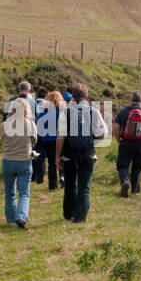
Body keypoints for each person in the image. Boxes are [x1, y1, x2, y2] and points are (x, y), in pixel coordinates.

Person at [56, 82, 109, 223]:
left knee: (70, 185)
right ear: (86, 96)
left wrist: (57, 156)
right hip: (88, 154)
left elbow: (60, 137)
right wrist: (93, 141)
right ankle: (80, 217)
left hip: (69, 154)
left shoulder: (65, 111)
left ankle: (68, 213)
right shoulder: (93, 111)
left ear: (72, 96)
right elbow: (103, 133)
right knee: (84, 187)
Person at [0, 95, 37, 228]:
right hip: (24, 161)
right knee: (24, 192)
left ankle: (10, 218)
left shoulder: (4, 125)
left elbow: (3, 140)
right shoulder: (30, 124)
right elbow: (34, 142)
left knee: (9, 191)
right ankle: (21, 216)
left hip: (8, 160)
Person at [113, 90, 141, 197]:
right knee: (137, 167)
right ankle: (135, 190)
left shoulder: (123, 111)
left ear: (131, 99)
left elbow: (116, 126)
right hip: (140, 143)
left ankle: (125, 182)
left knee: (122, 165)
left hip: (126, 142)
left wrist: (118, 140)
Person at [34, 90, 64, 189]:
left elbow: (39, 125)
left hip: (47, 139)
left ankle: (52, 185)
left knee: (51, 163)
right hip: (59, 138)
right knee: (60, 159)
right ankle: (62, 177)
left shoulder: (43, 111)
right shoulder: (62, 111)